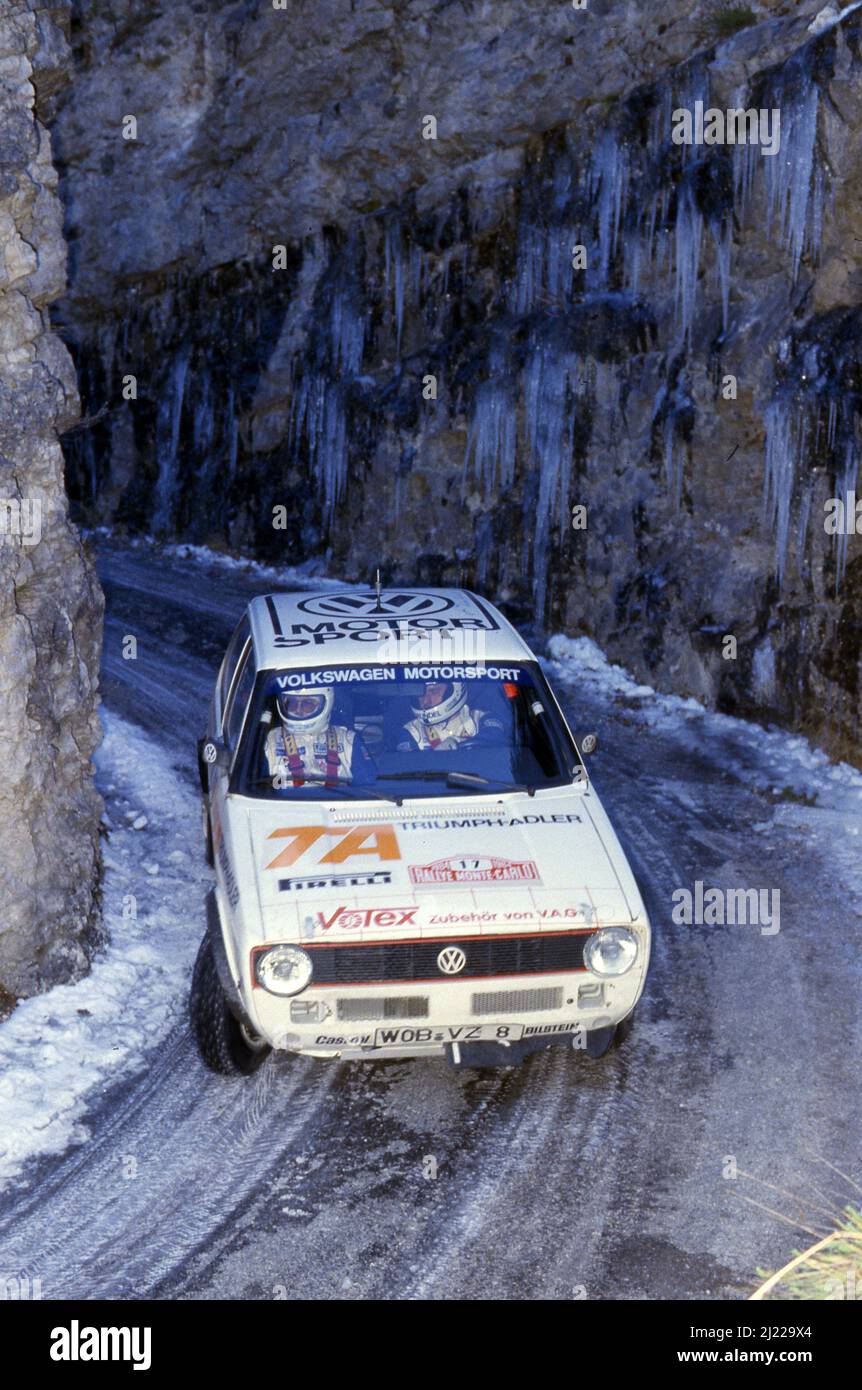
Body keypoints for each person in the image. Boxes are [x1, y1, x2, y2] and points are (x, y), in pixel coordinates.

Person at [265, 688, 374, 786]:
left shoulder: (348, 741)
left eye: (307, 704)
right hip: (282, 806)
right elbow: (258, 788)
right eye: (291, 703)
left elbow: (368, 788)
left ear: (326, 703)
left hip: (334, 806)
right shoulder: (270, 740)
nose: (298, 710)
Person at [399, 680, 505, 752]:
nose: (425, 701)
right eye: (420, 694)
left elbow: (495, 737)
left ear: (456, 690)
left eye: (434, 691)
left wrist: (457, 742)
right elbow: (406, 767)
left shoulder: (480, 718)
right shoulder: (412, 731)